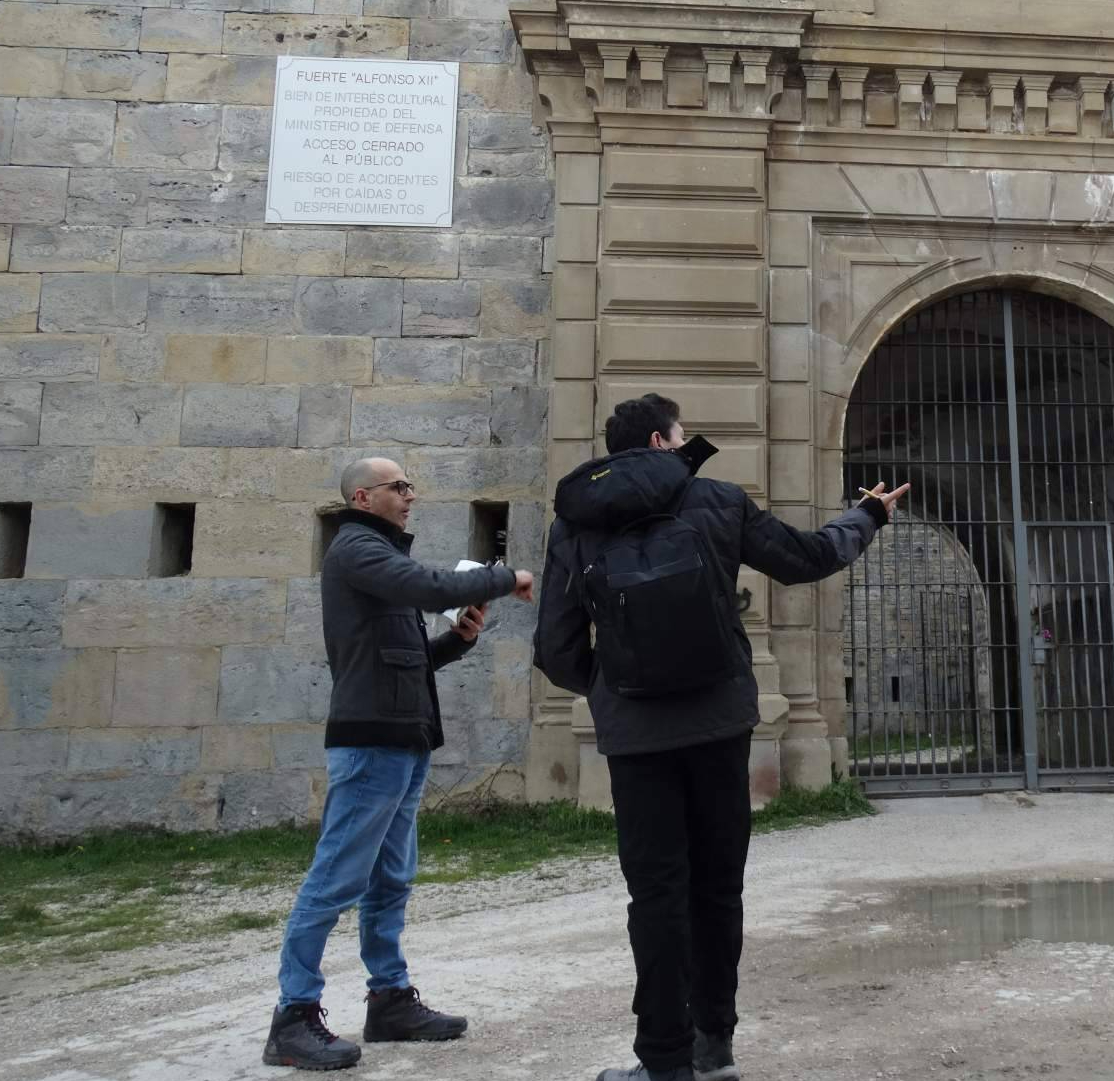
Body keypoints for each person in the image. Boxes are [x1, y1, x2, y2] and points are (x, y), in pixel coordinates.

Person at [535, 394, 908, 1081]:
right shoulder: (716, 500)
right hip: (719, 724)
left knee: (656, 897)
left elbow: (555, 650)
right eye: (681, 436)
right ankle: (715, 1049)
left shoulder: (575, 523)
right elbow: (807, 558)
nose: (687, 445)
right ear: (660, 441)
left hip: (636, 740)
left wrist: (614, 689)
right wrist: (869, 514)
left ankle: (664, 1063)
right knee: (716, 890)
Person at [263, 456, 535, 1071]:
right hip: (370, 743)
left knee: (391, 880)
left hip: (403, 741)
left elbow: (405, 659)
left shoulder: (379, 558)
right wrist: (502, 577)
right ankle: (292, 1017)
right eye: (399, 486)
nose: (411, 495)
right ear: (363, 497)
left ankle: (388, 1001)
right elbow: (431, 588)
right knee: (335, 879)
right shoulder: (357, 550)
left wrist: (456, 642)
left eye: (411, 486)